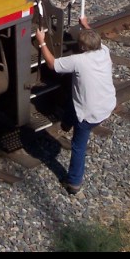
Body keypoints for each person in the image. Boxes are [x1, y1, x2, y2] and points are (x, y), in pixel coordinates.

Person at [34, 15, 116, 197]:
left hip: (89, 114)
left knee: (78, 146)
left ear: (83, 47)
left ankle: (74, 182)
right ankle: (67, 121)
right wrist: (85, 24)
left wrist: (41, 42)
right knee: (75, 96)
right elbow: (95, 37)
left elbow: (52, 64)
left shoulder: (79, 61)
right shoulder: (104, 51)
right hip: (107, 105)